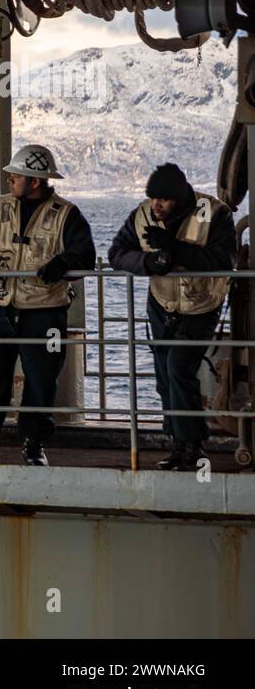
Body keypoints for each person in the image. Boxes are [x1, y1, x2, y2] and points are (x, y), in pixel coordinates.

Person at [0, 144, 95, 466]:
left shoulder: (68, 215)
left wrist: (64, 262)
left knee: (41, 380)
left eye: (15, 175)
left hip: (46, 314)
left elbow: (85, 255)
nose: (9, 179)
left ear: (35, 181)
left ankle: (33, 443)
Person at [107, 162, 236, 470]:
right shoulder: (142, 215)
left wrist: (175, 250)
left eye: (163, 200)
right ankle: (177, 444)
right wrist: (150, 262)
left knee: (179, 367)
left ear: (180, 197)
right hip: (161, 304)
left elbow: (223, 260)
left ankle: (194, 445)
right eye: (153, 199)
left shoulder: (213, 213)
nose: (156, 206)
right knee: (165, 374)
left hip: (201, 306)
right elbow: (117, 254)